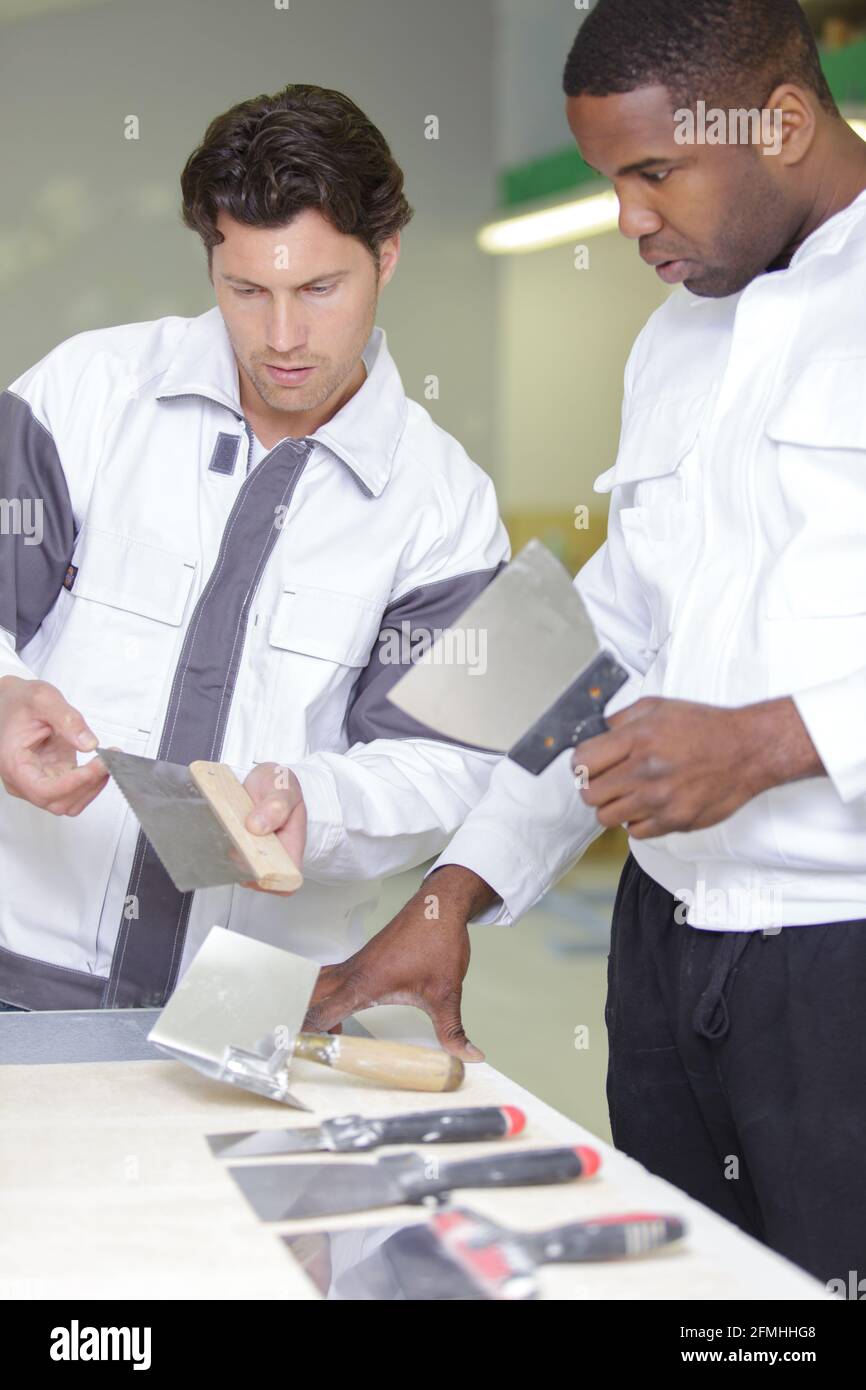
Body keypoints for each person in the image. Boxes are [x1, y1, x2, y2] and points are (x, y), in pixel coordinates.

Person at [305, 0, 866, 1285]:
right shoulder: (675, 339)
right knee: (685, 1302)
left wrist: (774, 741)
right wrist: (451, 890)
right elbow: (604, 630)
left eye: (652, 171)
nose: (626, 220)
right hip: (664, 953)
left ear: (779, 120)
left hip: (839, 964)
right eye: (610, 178)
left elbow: (727, 715)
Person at [0, 84, 508, 1012]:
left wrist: (318, 805)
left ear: (386, 255)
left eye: (319, 288)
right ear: (210, 265)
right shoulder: (84, 389)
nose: (282, 338)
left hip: (255, 1002)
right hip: (16, 970)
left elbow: (457, 764)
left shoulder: (452, 506)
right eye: (246, 290)